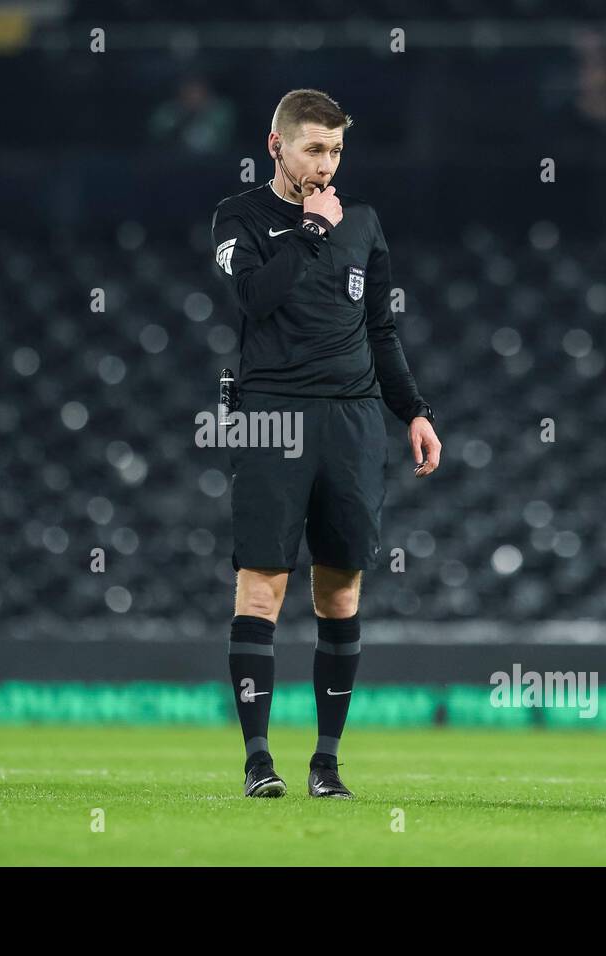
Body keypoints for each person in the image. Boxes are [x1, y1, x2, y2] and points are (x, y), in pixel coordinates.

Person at [209, 89, 441, 798]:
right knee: (262, 588)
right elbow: (255, 299)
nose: (327, 162)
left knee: (339, 595)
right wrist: (309, 229)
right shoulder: (240, 217)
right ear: (277, 146)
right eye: (314, 147)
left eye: (336, 149)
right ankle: (257, 761)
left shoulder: (363, 223)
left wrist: (414, 413)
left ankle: (326, 764)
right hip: (271, 416)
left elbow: (381, 331)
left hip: (352, 420)